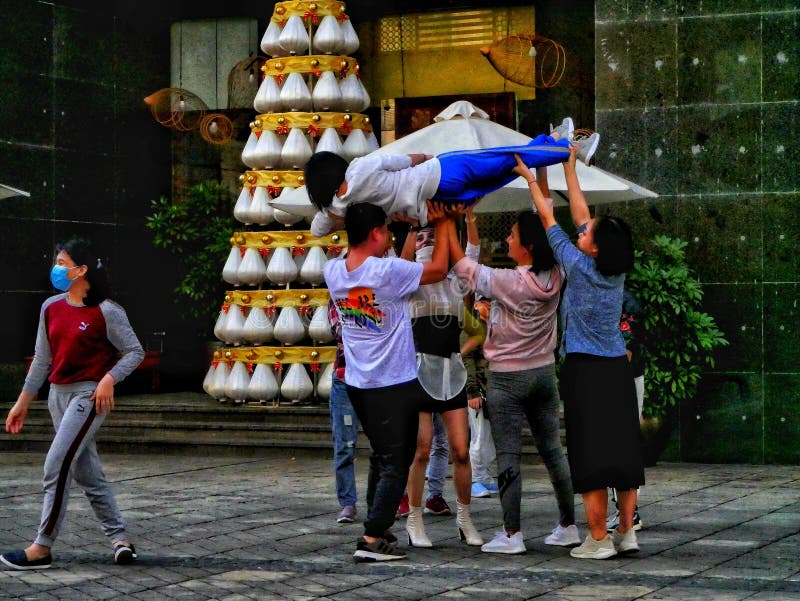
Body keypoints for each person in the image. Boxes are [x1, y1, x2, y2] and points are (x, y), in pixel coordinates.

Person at [516, 147, 644, 560]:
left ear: (592, 249)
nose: (582, 231)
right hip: (616, 370)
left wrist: (530, 178)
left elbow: (549, 215)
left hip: (585, 371)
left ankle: (598, 539)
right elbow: (580, 212)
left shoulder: (576, 263)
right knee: (623, 449)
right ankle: (625, 532)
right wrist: (570, 168)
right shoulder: (615, 269)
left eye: (588, 233)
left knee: (590, 452)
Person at [1, 237, 145, 570]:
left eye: (63, 263)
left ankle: (41, 547)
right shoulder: (50, 307)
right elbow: (42, 359)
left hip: (88, 397)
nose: (56, 267)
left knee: (56, 465)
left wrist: (109, 379)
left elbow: (135, 351)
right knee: (87, 472)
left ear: (81, 270)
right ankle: (120, 539)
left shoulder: (107, 310)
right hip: (57, 396)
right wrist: (22, 402)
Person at [449, 197, 580, 555]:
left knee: (508, 455)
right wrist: (537, 177)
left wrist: (447, 222)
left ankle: (512, 534)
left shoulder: (509, 281)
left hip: (507, 378)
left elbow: (463, 267)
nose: (507, 240)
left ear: (528, 246)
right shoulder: (557, 275)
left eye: (512, 235)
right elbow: (549, 222)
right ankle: (569, 525)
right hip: (543, 374)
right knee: (553, 451)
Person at [323, 203, 453, 562]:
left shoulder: (333, 271)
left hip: (358, 382)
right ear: (378, 233)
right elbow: (439, 268)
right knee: (397, 459)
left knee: (382, 456)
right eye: (386, 230)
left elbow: (379, 255)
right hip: (394, 382)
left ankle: (377, 525)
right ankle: (371, 537)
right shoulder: (388, 271)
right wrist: (442, 223)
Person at [304, 118, 600, 237]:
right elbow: (403, 160)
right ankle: (572, 148)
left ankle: (550, 139)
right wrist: (428, 157)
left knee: (509, 170)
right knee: (505, 157)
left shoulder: (344, 210)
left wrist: (328, 207)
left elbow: (318, 229)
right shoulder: (359, 168)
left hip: (442, 202)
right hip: (441, 172)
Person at [398, 223, 483, 549]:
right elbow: (401, 259)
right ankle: (415, 519)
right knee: (421, 448)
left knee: (462, 450)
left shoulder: (455, 284)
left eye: (432, 236)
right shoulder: (410, 282)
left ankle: (464, 518)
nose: (427, 240)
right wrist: (411, 228)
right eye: (422, 237)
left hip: (451, 372)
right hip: (419, 370)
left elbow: (472, 254)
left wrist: (463, 220)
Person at [607, 288, 645, 532]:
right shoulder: (621, 297)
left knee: (621, 442)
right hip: (623, 375)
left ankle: (628, 512)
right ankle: (626, 510)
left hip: (623, 376)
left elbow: (628, 346)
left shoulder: (625, 300)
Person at [327, 299, 360, 525]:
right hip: (345, 377)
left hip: (377, 380)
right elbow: (340, 329)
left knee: (386, 445)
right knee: (345, 445)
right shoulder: (339, 286)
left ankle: (388, 499)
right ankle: (348, 502)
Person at [462, 295, 499, 498]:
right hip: (479, 389)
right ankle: (475, 477)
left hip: (495, 387)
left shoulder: (496, 325)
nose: (490, 306)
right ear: (477, 304)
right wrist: (472, 391)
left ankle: (483, 474)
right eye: (487, 302)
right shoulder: (473, 326)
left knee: (490, 436)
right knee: (479, 435)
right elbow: (467, 359)